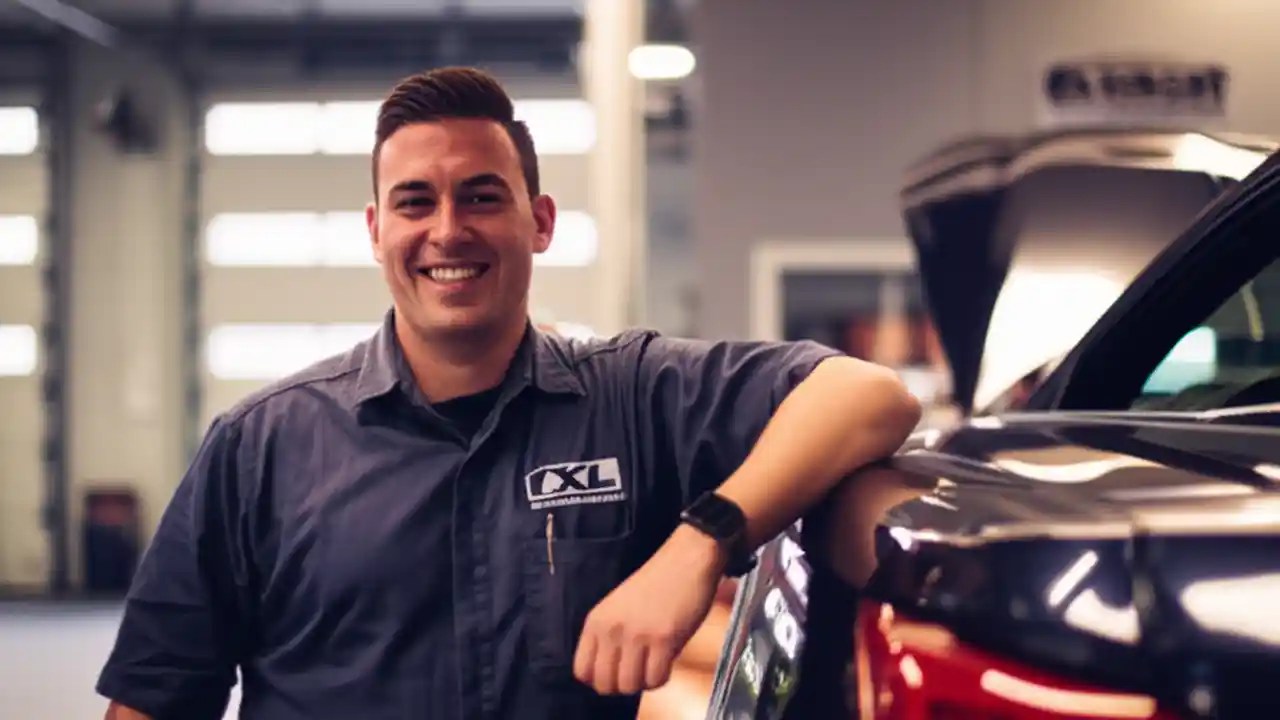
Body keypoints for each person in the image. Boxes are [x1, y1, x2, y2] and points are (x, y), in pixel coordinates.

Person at [97, 66, 921, 720]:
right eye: (415, 202)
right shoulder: (260, 447)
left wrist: (697, 543)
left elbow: (868, 396)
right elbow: (158, 697)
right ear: (377, 229)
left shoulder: (632, 399)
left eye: (481, 196)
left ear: (540, 221)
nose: (448, 230)